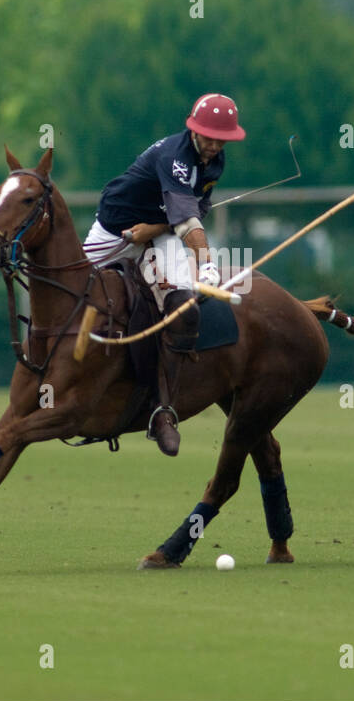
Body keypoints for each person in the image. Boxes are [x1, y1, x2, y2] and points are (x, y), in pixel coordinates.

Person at [81, 93, 245, 456]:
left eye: (222, 139)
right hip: (115, 228)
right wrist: (206, 262)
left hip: (159, 234)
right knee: (75, 296)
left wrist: (150, 232)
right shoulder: (175, 157)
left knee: (184, 307)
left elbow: (193, 210)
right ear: (193, 128)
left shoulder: (215, 161)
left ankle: (162, 410)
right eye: (208, 137)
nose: (215, 145)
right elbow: (188, 219)